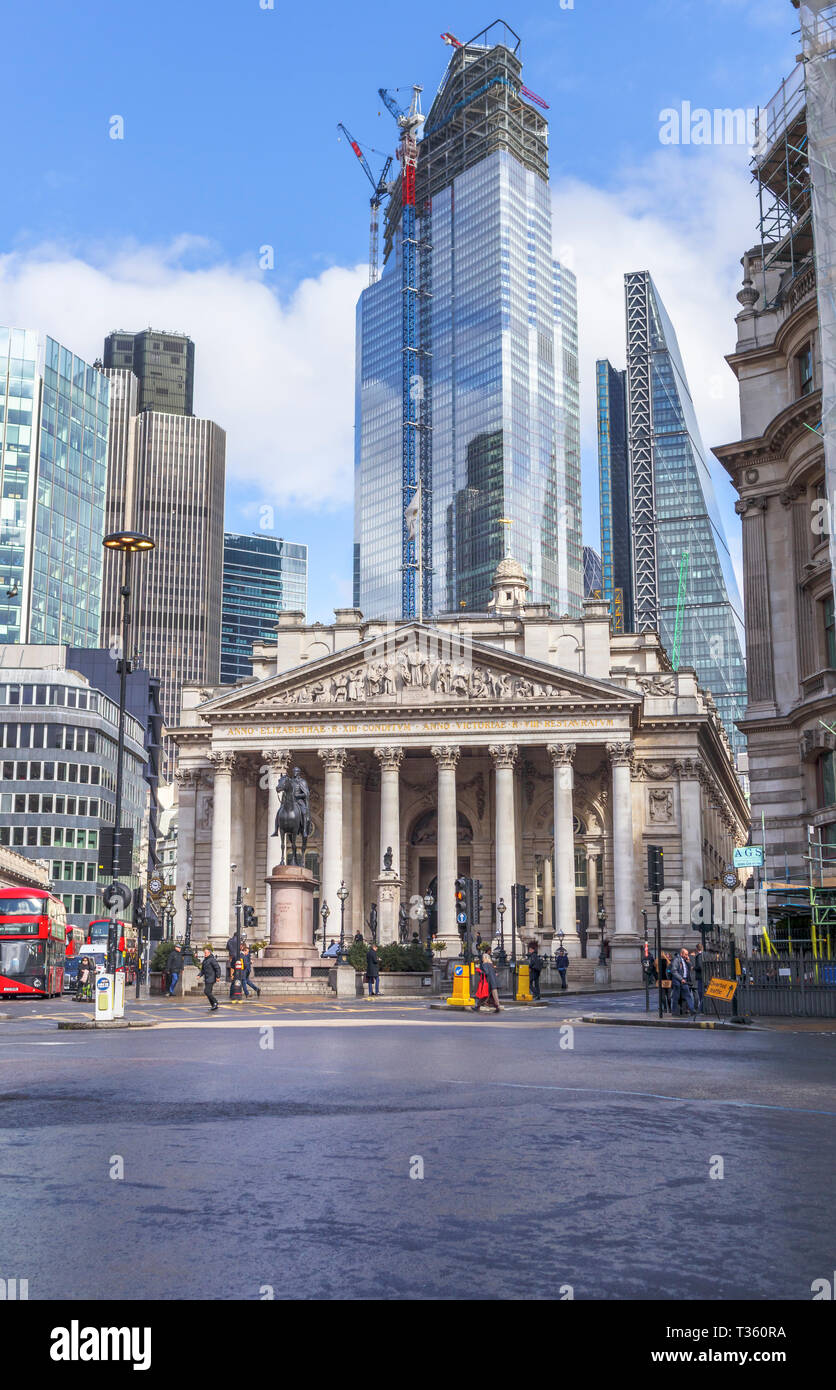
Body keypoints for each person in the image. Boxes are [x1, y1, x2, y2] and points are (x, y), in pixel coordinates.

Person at [670, 947, 699, 1018]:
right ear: (681, 953)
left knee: (688, 995)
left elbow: (690, 968)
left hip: (684, 980)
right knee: (676, 997)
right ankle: (674, 1011)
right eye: (685, 954)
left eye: (687, 954)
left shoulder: (684, 960)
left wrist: (688, 961)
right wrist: (680, 979)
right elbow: (673, 971)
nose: (687, 956)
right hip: (678, 981)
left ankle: (692, 1010)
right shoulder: (676, 960)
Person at [473, 949, 501, 1014]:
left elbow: (486, 973)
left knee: (485, 996)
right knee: (493, 996)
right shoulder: (491, 964)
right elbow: (495, 973)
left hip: (488, 982)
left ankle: (477, 1007)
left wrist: (479, 971)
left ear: (485, 958)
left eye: (483, 957)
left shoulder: (485, 964)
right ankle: (497, 1007)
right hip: (494, 982)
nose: (482, 959)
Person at [198, 948, 220, 1013]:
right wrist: (199, 975)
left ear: (209, 953)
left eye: (206, 953)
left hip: (211, 978)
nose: (204, 954)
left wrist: (218, 977)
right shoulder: (205, 960)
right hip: (207, 978)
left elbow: (217, 968)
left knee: (206, 991)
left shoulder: (212, 960)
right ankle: (213, 1005)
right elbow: (203, 970)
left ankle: (215, 1002)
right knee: (208, 992)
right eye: (204, 952)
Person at [692, 944, 704, 1012]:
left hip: (700, 977)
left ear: (697, 949)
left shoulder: (699, 956)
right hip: (706, 976)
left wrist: (693, 968)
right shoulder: (705, 954)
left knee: (700, 993)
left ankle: (701, 1009)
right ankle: (702, 1008)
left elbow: (700, 967)